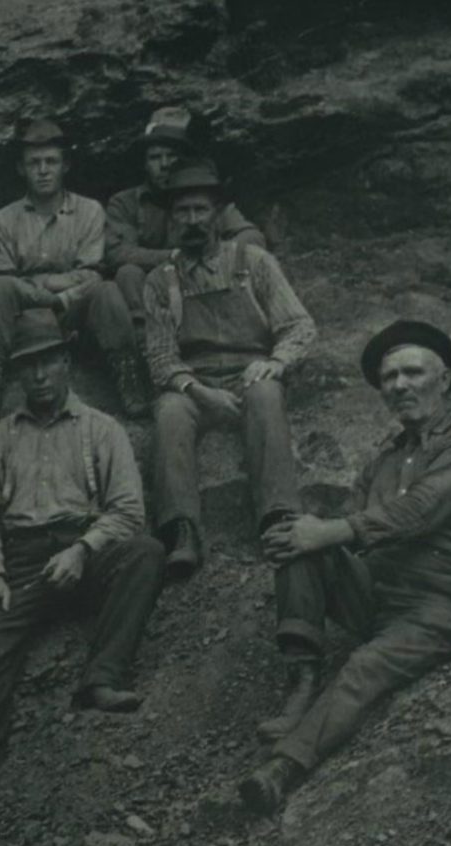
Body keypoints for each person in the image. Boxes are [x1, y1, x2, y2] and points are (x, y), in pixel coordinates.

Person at [241, 321, 451, 815]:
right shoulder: (386, 455)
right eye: (389, 379)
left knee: (365, 665)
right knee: (300, 538)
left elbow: (421, 510)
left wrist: (330, 532)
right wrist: (308, 534)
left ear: (443, 379)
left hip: (443, 606)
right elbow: (352, 522)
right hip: (379, 595)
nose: (400, 385)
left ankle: (283, 769)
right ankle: (302, 679)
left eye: (412, 373)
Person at [0, 310, 165, 795]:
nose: (40, 376)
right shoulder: (1, 437)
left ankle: (101, 679)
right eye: (28, 366)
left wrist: (83, 550)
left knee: (144, 553)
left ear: (66, 362)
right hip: (23, 560)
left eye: (48, 362)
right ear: (17, 373)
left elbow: (128, 510)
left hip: (86, 547)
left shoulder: (102, 429)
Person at [144, 160, 316, 578]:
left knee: (265, 394)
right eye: (182, 212)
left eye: (200, 210)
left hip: (249, 371)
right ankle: (181, 529)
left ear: (218, 213)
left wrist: (275, 362)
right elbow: (162, 358)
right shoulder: (160, 280)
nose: (191, 221)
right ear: (171, 219)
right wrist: (201, 393)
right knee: (169, 412)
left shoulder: (252, 261)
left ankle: (277, 517)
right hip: (196, 383)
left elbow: (299, 325)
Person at [0, 118, 147, 422]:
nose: (43, 170)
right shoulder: (4, 218)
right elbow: (5, 281)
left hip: (75, 318)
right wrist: (56, 294)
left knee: (106, 289)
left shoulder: (89, 210)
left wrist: (41, 284)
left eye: (51, 162)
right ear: (21, 168)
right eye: (34, 163)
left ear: (65, 166)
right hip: (26, 321)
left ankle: (128, 376)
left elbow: (91, 274)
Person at [101, 106, 266, 336]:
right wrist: (175, 257)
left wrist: (213, 256)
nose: (164, 164)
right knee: (128, 273)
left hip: (204, 281)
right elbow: (117, 253)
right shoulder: (125, 202)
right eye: (155, 157)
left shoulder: (204, 199)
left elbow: (252, 237)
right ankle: (147, 341)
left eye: (172, 156)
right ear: (144, 164)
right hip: (153, 287)